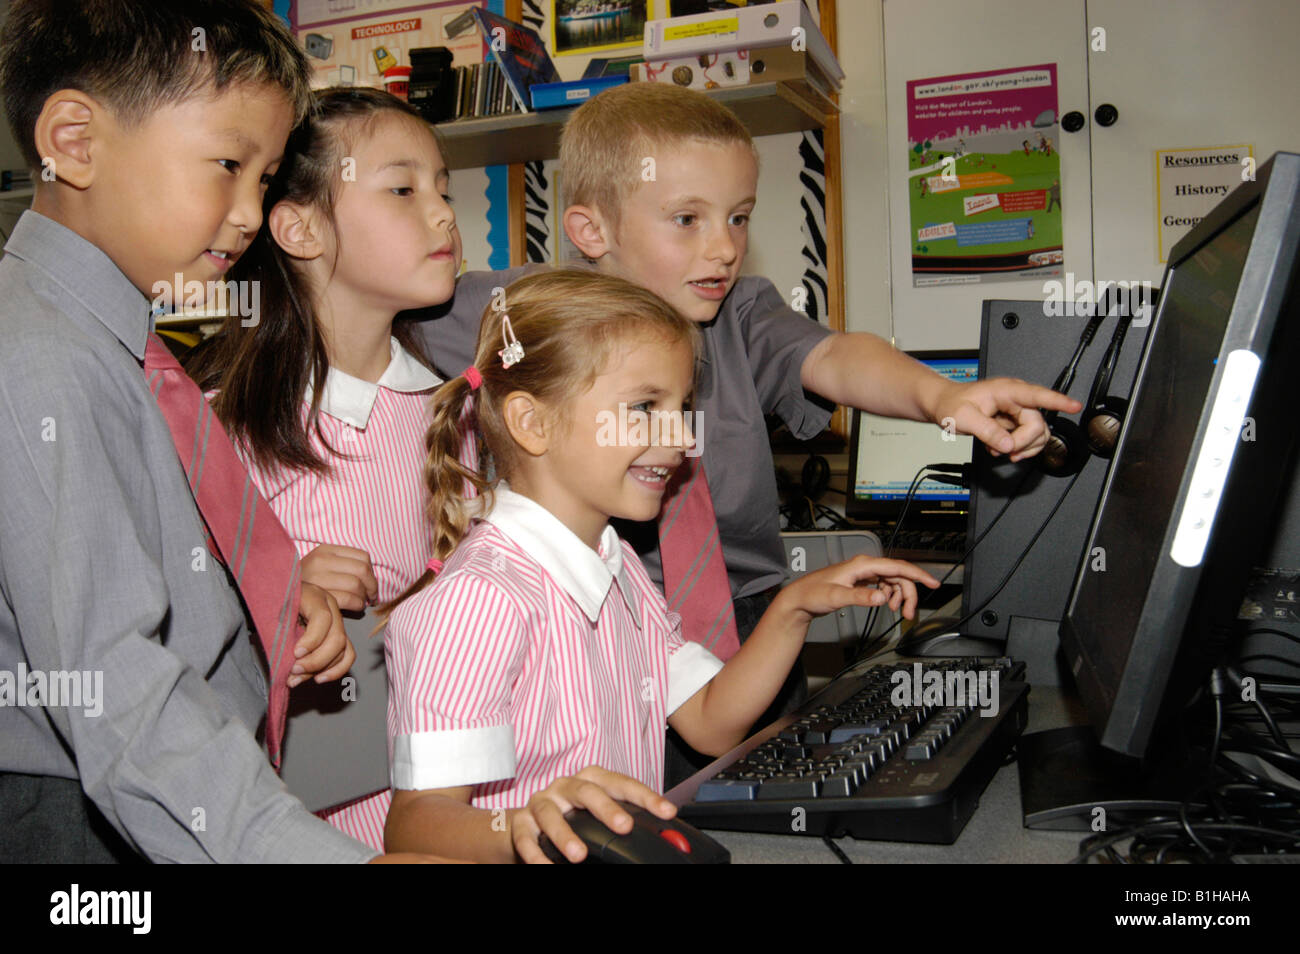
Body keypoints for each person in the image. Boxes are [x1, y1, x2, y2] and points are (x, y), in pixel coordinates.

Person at [411, 82, 1082, 786]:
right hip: (607, 631)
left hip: (754, 627)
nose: (724, 247)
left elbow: (832, 356)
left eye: (738, 218)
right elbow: (382, 303)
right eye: (687, 219)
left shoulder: (739, 314)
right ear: (591, 231)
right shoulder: (524, 313)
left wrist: (943, 395)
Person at [0, 0, 428, 863]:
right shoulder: (40, 359)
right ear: (76, 142)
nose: (246, 213)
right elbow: (117, 687)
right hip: (89, 822)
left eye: (265, 179)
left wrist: (264, 590)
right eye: (227, 164)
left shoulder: (120, 344)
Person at [383, 269, 938, 863]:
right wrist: (524, 825)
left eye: (682, 408)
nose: (681, 438)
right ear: (532, 423)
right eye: (645, 407)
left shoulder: (616, 564)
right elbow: (414, 828)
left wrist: (791, 607)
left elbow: (708, 722)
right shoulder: (480, 602)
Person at [186, 86, 469, 853]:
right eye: (403, 189)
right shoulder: (214, 424)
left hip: (457, 804)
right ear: (299, 226)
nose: (444, 212)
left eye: (444, 188)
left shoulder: (463, 414)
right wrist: (276, 589)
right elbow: (160, 641)